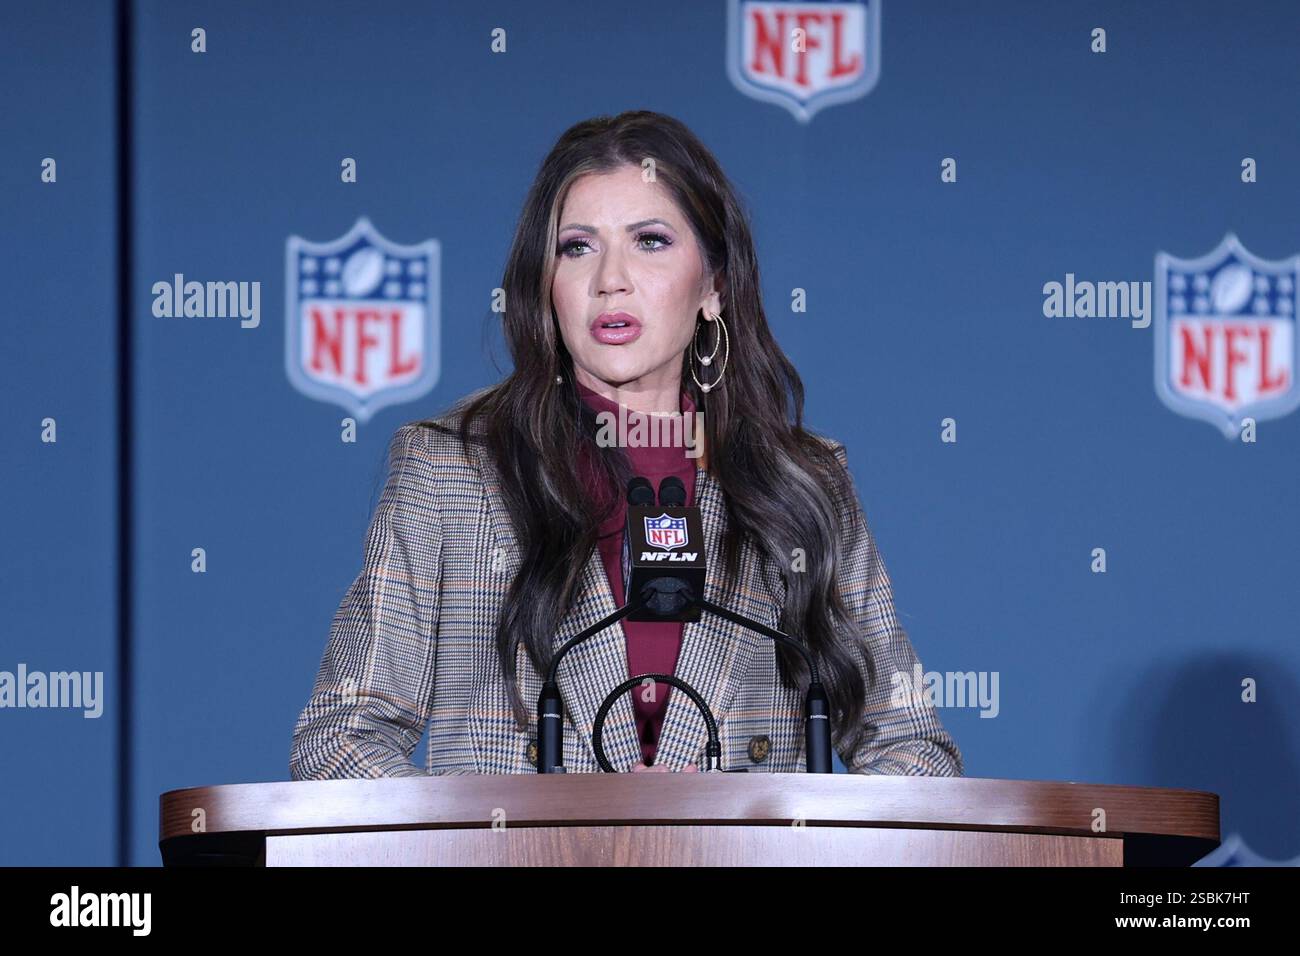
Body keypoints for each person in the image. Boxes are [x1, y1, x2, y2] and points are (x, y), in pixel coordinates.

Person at [289, 110, 963, 778]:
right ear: (544, 285)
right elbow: (340, 743)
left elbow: (914, 752)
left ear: (714, 286)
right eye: (577, 247)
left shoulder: (802, 483)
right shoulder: (451, 471)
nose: (610, 278)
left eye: (650, 240)